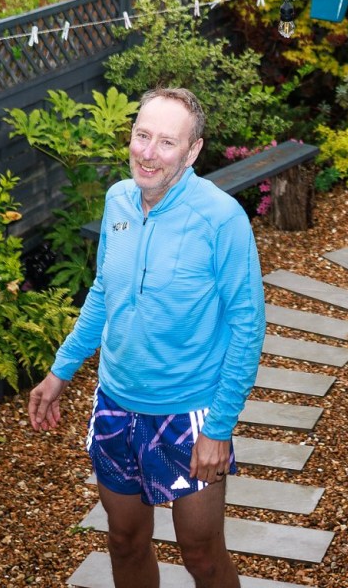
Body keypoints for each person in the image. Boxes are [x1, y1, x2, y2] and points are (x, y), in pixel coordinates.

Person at [29, 86, 264, 588]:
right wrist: (60, 370)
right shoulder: (118, 199)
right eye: (142, 136)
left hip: (190, 412)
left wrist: (219, 426)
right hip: (116, 405)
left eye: (166, 143)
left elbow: (247, 328)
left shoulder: (221, 219)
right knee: (123, 541)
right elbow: (103, 291)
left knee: (201, 554)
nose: (148, 153)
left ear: (193, 151)